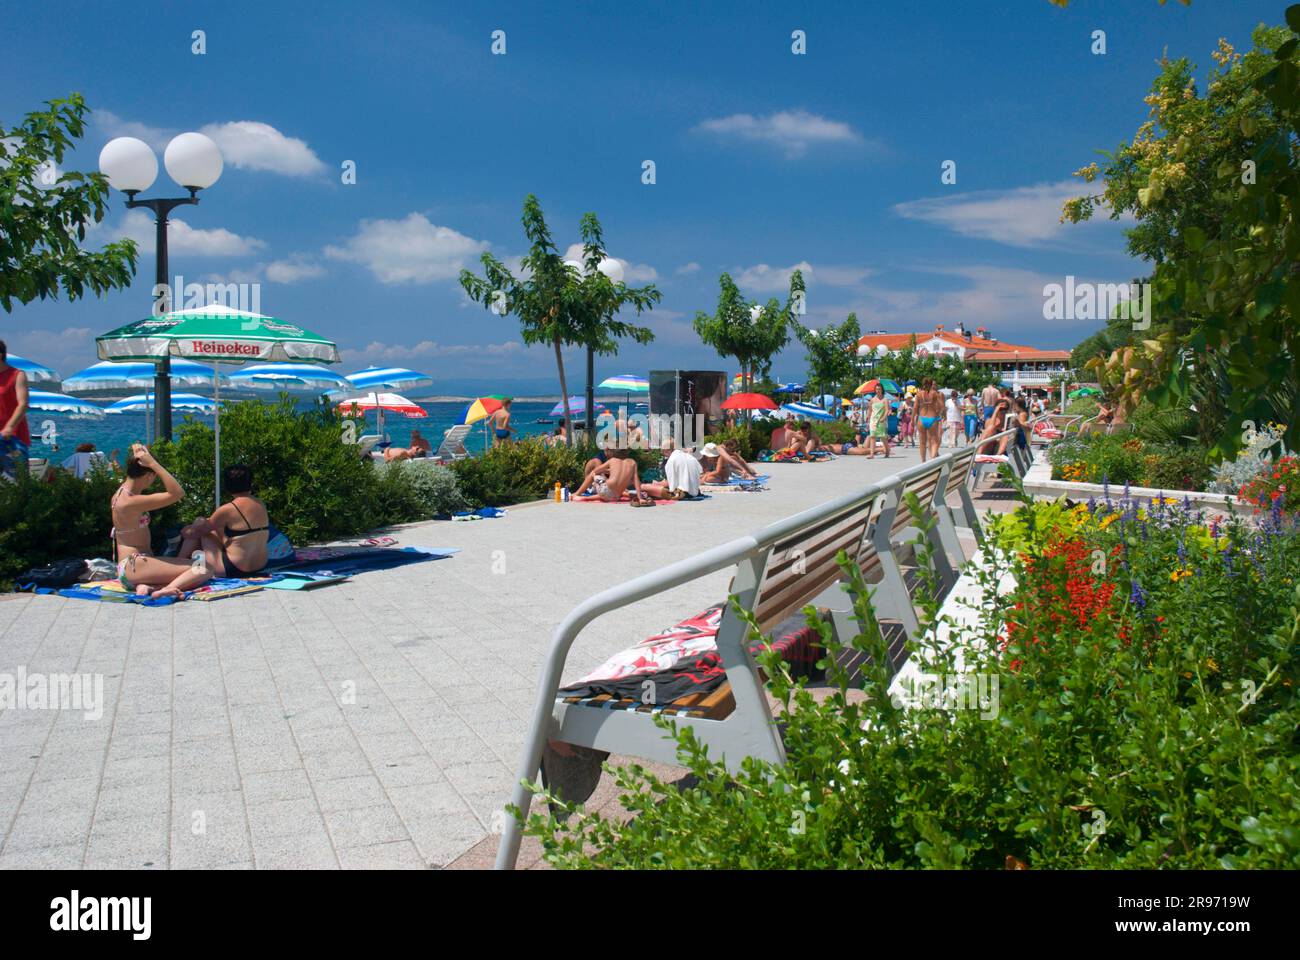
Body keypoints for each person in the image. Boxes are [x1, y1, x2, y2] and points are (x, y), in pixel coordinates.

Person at [177, 463, 271, 581]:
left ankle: (178, 562)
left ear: (227, 485)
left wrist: (184, 529)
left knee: (202, 527)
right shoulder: (260, 504)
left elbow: (194, 533)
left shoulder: (228, 509)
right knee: (214, 527)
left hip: (233, 568)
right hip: (260, 565)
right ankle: (184, 562)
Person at [111, 444, 185, 562]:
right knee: (202, 568)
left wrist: (140, 456)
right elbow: (178, 493)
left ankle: (144, 582)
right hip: (134, 562)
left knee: (197, 566)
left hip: (137, 562)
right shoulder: (131, 502)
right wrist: (152, 463)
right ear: (149, 475)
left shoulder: (122, 493)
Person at [0, 340, 30, 481]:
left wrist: (10, 427)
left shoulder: (17, 375)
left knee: (18, 482)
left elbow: (23, 404)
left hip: (12, 437)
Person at [574, 456, 649, 505]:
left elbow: (596, 471)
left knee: (593, 473)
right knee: (612, 491)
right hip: (616, 497)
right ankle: (585, 498)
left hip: (605, 492)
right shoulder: (633, 463)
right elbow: (636, 481)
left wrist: (603, 472)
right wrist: (640, 498)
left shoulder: (613, 460)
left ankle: (576, 494)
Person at [915, 378, 944, 462]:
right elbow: (942, 406)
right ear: (931, 384)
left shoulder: (919, 394)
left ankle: (923, 461)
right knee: (934, 440)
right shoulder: (935, 394)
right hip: (932, 418)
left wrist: (913, 419)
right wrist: (939, 412)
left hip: (922, 418)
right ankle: (932, 459)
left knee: (922, 442)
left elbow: (915, 407)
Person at [865, 383, 892, 458]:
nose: (878, 390)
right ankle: (872, 454)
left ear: (882, 390)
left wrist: (883, 418)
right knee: (872, 436)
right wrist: (868, 419)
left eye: (879, 389)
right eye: (876, 389)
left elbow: (887, 410)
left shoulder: (885, 400)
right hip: (873, 420)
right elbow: (870, 410)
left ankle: (887, 452)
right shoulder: (872, 400)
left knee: (883, 437)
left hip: (881, 420)